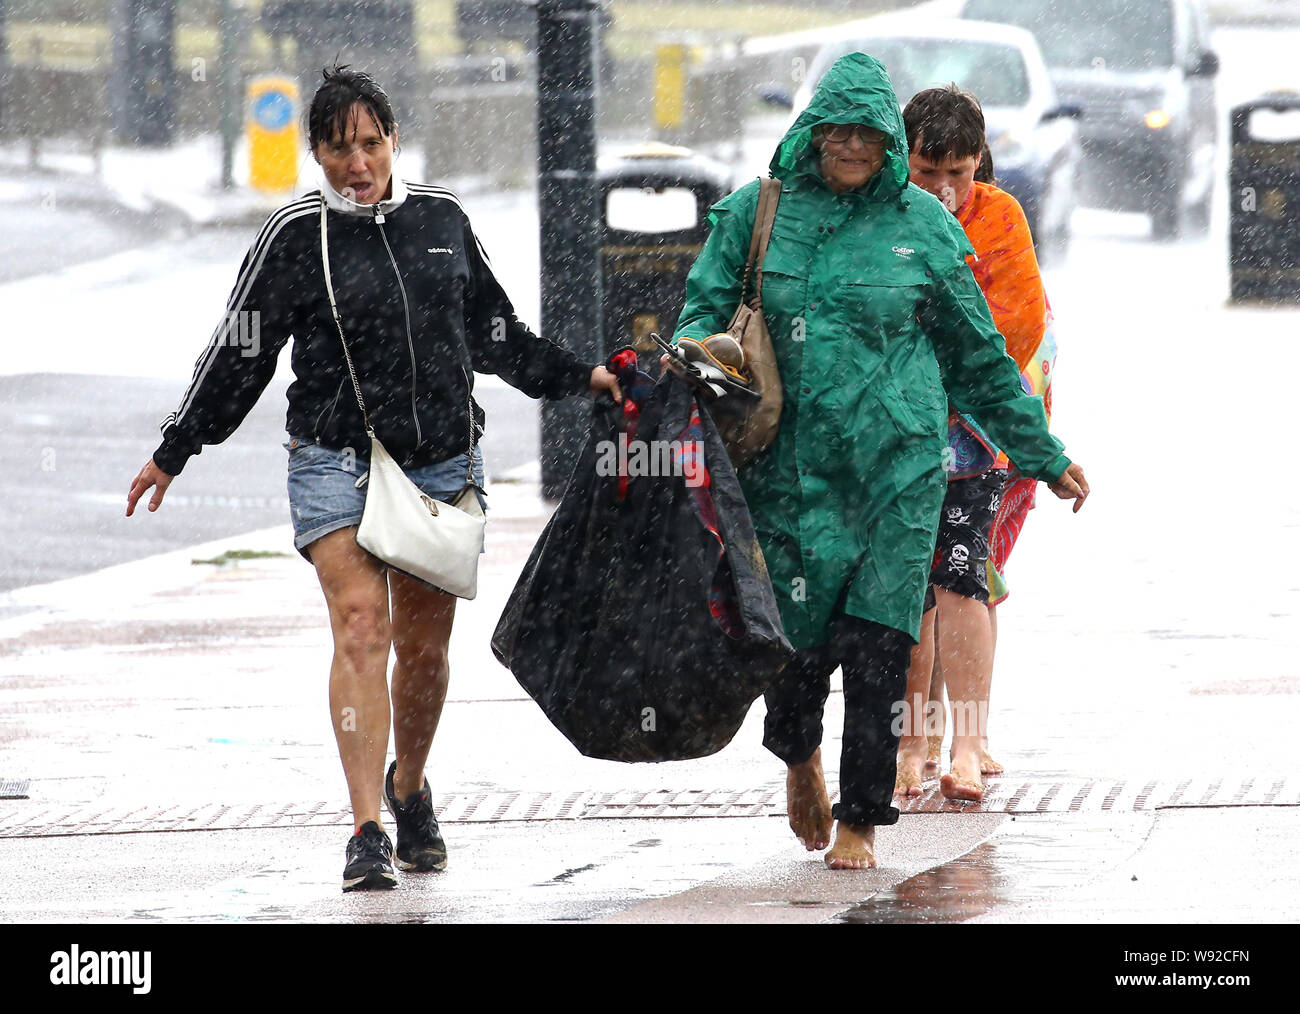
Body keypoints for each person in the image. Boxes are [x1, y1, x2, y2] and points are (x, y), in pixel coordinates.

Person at [125, 65, 622, 891]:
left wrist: (587, 377)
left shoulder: (442, 220)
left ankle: (409, 786)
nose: (357, 163)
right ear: (316, 153)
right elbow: (239, 353)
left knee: (423, 654)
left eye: (370, 143)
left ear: (393, 138)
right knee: (361, 626)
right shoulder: (295, 236)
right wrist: (178, 447)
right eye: (337, 148)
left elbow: (498, 335)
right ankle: (364, 830)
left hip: (438, 463)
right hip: (333, 460)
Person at [672, 53, 1088, 870]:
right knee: (795, 647)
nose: (852, 145)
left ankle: (863, 816)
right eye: (839, 129)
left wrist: (1043, 452)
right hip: (790, 476)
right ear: (814, 130)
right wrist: (693, 355)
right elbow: (701, 314)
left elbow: (978, 356)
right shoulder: (761, 212)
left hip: (898, 472)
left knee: (880, 647)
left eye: (868, 131)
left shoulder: (923, 225)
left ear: (885, 140)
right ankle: (798, 759)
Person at [893, 85, 1057, 801]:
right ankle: (910, 739)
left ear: (979, 161)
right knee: (903, 585)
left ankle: (966, 744)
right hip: (896, 430)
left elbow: (1015, 324)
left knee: (962, 571)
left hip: (979, 428)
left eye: (958, 172)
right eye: (928, 173)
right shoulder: (876, 217)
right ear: (903, 161)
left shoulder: (1002, 216)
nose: (945, 189)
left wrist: (947, 388)